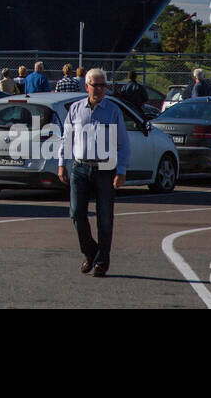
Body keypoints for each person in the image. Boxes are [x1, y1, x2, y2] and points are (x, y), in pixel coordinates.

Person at [58, 69, 128, 277]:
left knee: (105, 218)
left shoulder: (113, 110)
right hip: (79, 167)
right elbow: (66, 138)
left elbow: (123, 144)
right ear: (86, 86)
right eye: (95, 85)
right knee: (77, 213)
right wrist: (62, 163)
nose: (99, 89)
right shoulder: (76, 109)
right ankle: (90, 252)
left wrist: (121, 171)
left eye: (102, 85)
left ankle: (102, 262)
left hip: (106, 169)